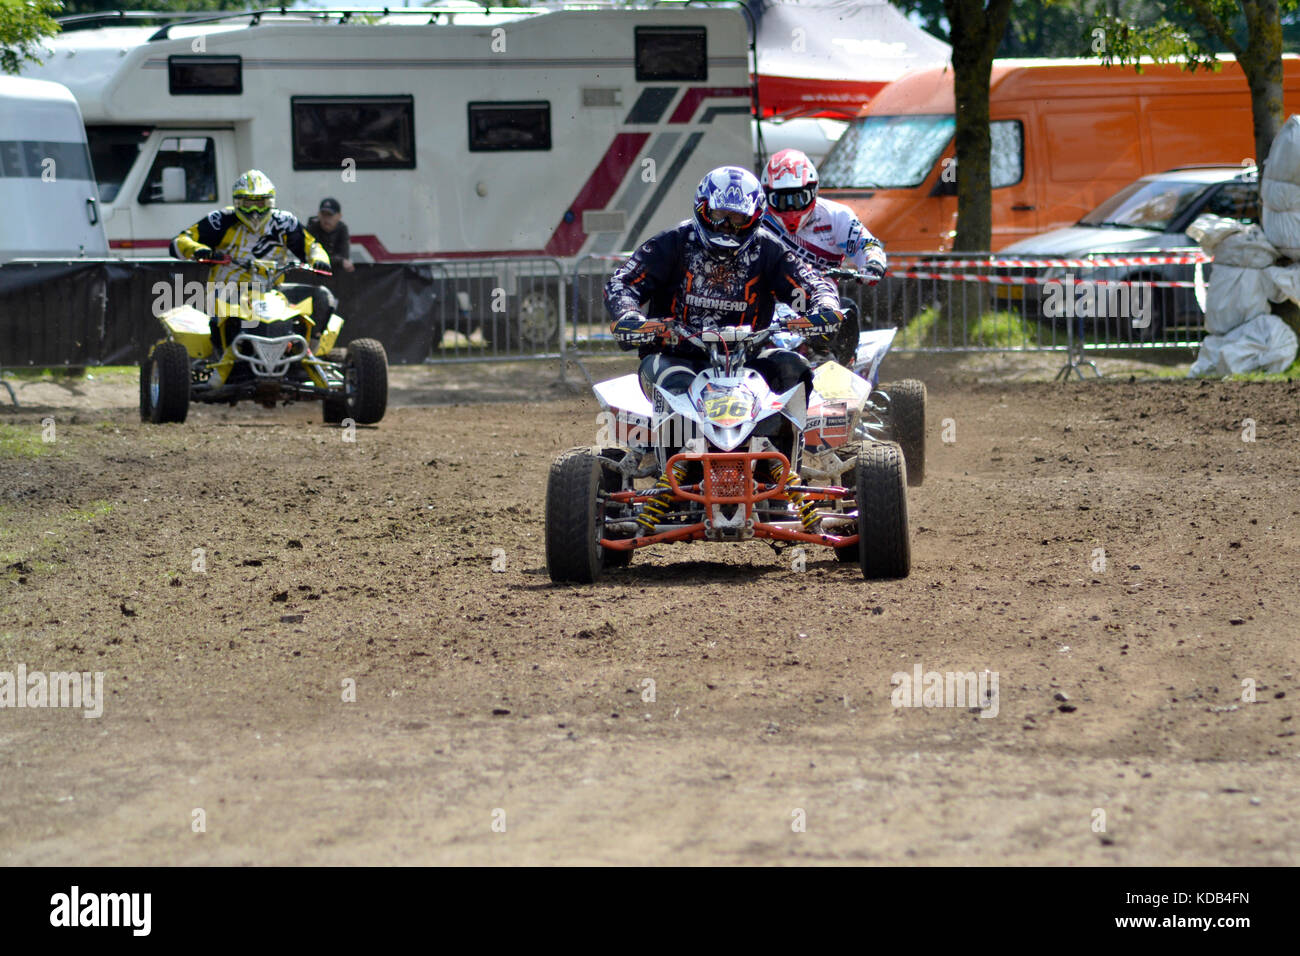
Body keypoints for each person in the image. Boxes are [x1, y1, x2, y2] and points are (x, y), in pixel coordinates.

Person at [604, 166, 843, 532]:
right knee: (672, 385)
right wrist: (629, 314)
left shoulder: (767, 249)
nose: (727, 227)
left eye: (738, 219)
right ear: (703, 210)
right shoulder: (673, 243)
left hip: (750, 357)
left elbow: (812, 280)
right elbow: (623, 282)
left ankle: (779, 478)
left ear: (755, 218)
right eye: (719, 216)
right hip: (679, 353)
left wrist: (824, 307)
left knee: (794, 368)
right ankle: (679, 481)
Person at [170, 170, 337, 353]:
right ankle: (223, 357)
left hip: (273, 291)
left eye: (260, 203)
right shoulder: (220, 220)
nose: (255, 211)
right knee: (222, 311)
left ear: (270, 202)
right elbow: (179, 242)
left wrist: (320, 259)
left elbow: (311, 246)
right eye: (248, 204)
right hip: (228, 289)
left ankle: (308, 351)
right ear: (238, 202)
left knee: (323, 297)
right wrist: (199, 250)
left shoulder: (284, 222)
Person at [760, 148, 887, 363]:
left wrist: (872, 263)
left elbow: (866, 243)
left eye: (798, 198)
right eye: (782, 200)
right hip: (766, 304)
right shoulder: (757, 221)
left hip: (821, 305)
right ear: (767, 195)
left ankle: (846, 368)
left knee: (848, 311)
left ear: (813, 191)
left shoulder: (836, 215)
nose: (791, 208)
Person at [307, 197, 355, 273]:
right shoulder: (312, 229)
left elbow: (344, 256)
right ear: (319, 215)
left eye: (330, 215)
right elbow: (313, 256)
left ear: (339, 216)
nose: (326, 218)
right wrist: (339, 261)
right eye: (323, 214)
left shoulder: (342, 229)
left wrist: (339, 261)